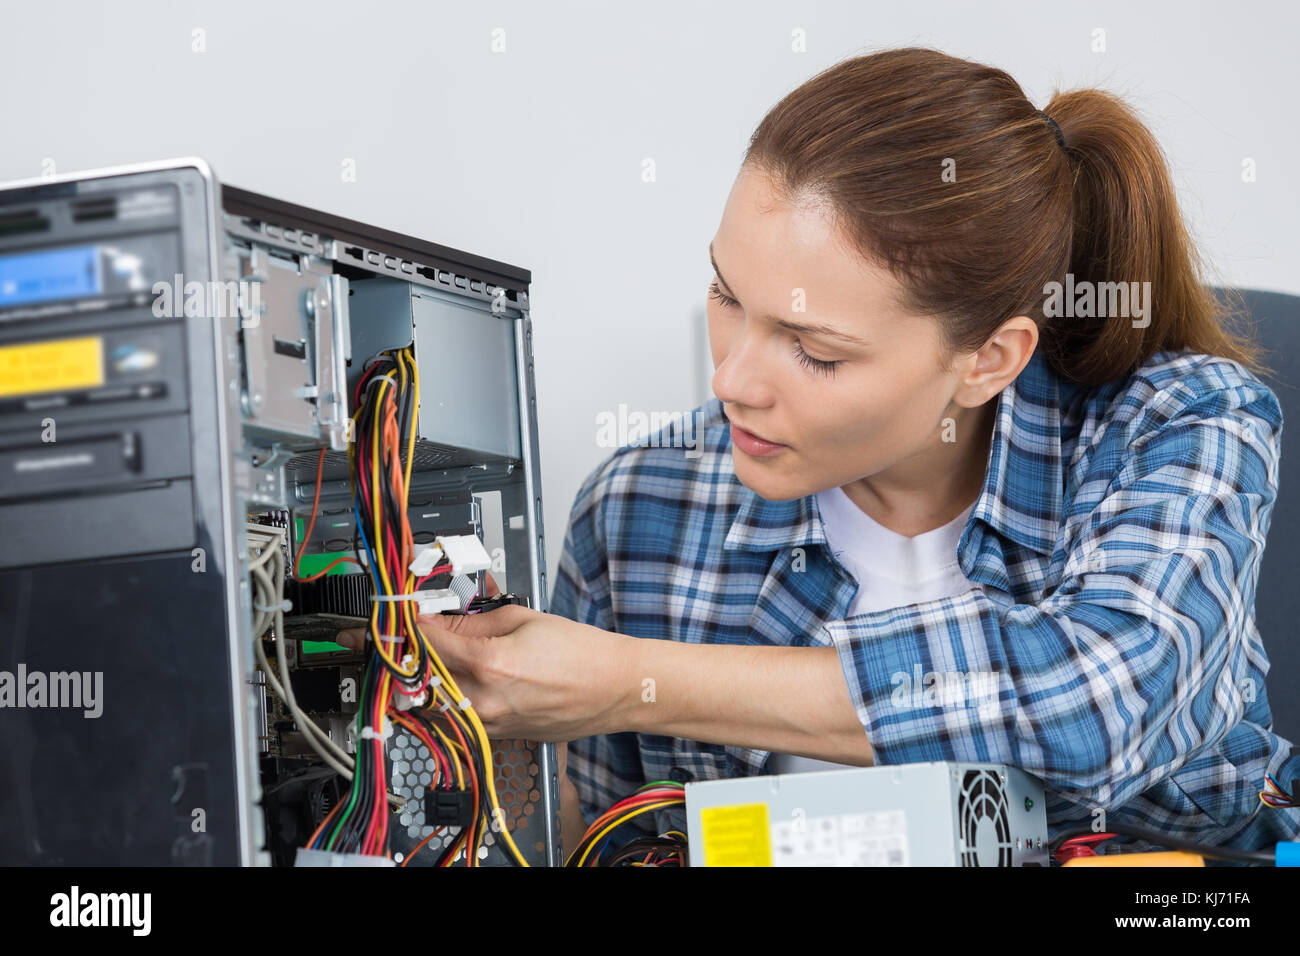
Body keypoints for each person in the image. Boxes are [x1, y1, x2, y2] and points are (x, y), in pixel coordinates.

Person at [346, 47, 1300, 860]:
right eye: (726, 298)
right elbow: (614, 841)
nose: (732, 382)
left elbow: (1090, 702)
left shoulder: (1178, 427)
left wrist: (626, 679)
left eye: (814, 350)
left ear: (988, 358)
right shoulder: (640, 511)